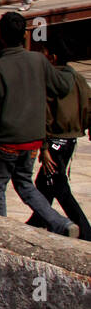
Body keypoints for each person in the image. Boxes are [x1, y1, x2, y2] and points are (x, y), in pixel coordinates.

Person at [0, 12, 79, 237]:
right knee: (25, 185)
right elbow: (61, 87)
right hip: (34, 141)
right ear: (25, 35)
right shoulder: (39, 61)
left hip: (8, 142)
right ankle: (61, 223)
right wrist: (69, 69)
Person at [27, 34, 91, 238]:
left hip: (55, 141)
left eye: (44, 52)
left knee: (58, 184)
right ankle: (37, 221)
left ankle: (85, 231)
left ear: (52, 57)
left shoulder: (50, 80)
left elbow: (44, 115)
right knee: (45, 182)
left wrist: (43, 148)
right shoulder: (78, 77)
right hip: (70, 140)